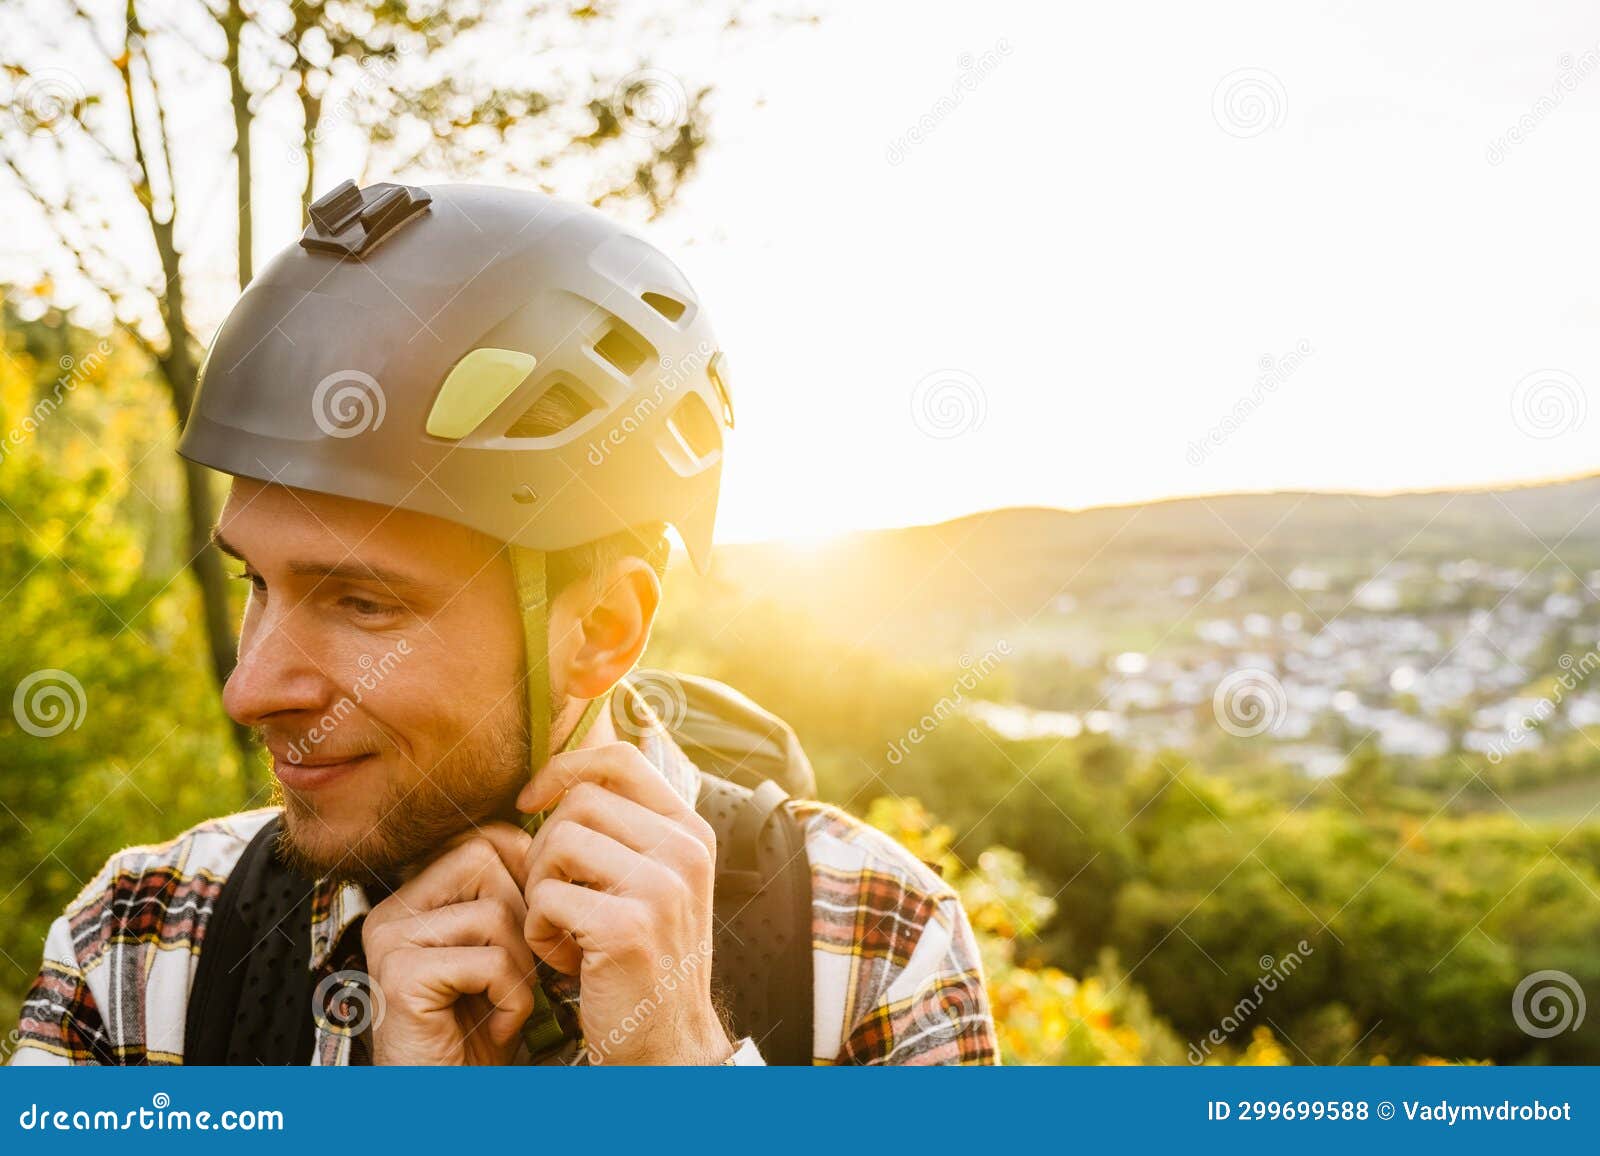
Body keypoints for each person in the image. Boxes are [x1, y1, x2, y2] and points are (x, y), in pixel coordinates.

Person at [12, 181, 997, 1066]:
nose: (250, 689)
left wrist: (682, 1071)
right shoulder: (139, 951)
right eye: (255, 584)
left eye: (360, 602)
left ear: (603, 627)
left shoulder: (873, 943)